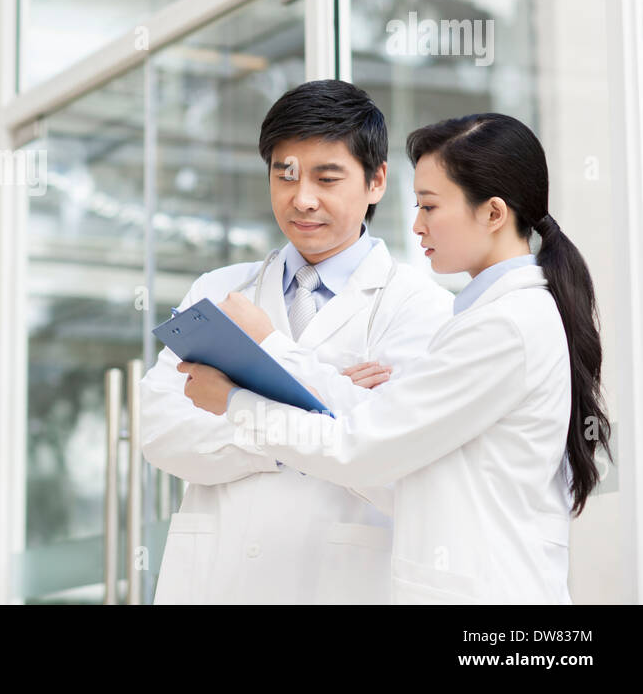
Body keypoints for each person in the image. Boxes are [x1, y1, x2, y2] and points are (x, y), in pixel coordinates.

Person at [190, 112, 613, 603]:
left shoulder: (505, 327)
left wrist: (237, 398)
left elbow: (361, 448)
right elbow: (380, 427)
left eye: (430, 207)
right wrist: (290, 364)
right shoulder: (493, 317)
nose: (416, 225)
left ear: (493, 213)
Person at [141, 80, 453, 604]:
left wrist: (233, 404)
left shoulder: (421, 310)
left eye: (327, 178)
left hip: (338, 583)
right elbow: (159, 429)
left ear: (376, 181)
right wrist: (320, 420)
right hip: (217, 582)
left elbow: (396, 463)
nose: (302, 198)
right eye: (285, 174)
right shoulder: (218, 290)